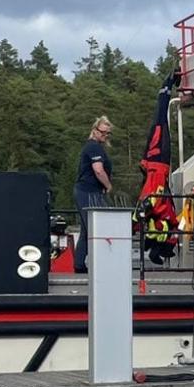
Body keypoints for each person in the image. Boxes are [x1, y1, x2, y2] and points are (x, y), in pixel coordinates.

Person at [73, 116, 114, 273]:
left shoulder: (95, 147)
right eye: (103, 132)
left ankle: (79, 264)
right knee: (98, 227)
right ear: (95, 131)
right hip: (88, 191)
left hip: (88, 191)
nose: (105, 136)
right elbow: (98, 170)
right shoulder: (93, 147)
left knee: (87, 228)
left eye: (107, 133)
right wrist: (108, 185)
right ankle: (100, 262)